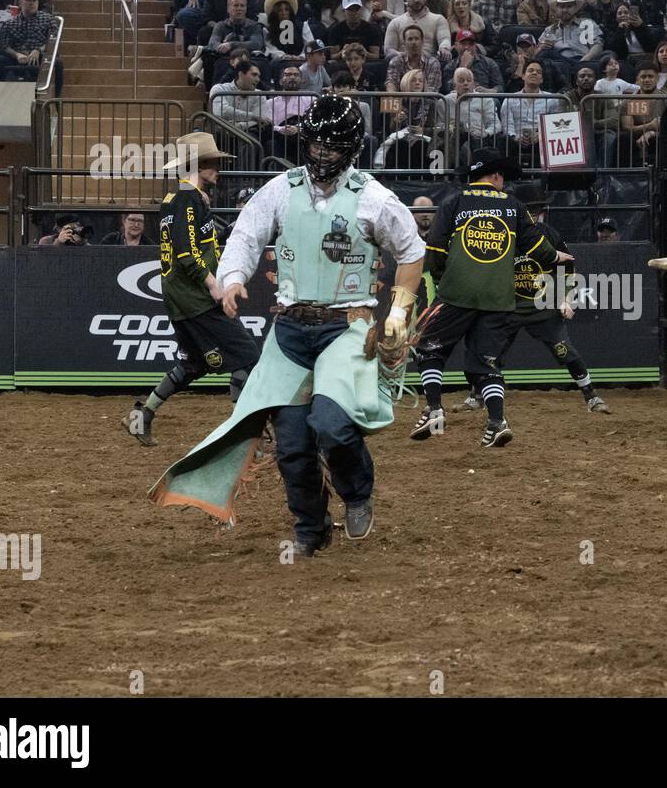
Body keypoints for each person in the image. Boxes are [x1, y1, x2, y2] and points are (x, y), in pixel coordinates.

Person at [162, 95, 425, 555]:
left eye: (330, 146)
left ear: (349, 149)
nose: (321, 154)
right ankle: (311, 528)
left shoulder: (373, 196)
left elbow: (412, 249)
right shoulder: (281, 189)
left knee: (331, 423)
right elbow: (245, 234)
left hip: (346, 326)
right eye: (315, 145)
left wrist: (399, 310)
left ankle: (357, 493)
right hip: (288, 331)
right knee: (292, 443)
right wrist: (232, 279)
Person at [410, 147, 571, 447]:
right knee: (486, 362)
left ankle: (434, 409)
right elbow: (538, 248)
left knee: (428, 348)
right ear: (496, 175)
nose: (504, 182)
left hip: (458, 291)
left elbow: (434, 249)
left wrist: (444, 278)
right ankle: (497, 421)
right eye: (503, 177)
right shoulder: (513, 205)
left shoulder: (454, 201)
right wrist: (556, 257)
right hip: (498, 298)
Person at [129, 132, 260, 447]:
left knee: (194, 363)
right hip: (195, 297)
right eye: (212, 163)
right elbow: (187, 253)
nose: (218, 168)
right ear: (197, 165)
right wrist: (214, 286)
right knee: (248, 355)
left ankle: (142, 415)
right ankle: (245, 437)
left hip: (182, 298)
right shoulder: (186, 198)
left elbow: (194, 246)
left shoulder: (183, 199)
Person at [453, 188, 611, 416]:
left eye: (539, 210)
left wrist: (566, 300)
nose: (535, 215)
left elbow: (568, 270)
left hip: (543, 307)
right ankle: (476, 396)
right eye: (531, 210)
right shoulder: (500, 236)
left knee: (565, 350)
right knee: (488, 353)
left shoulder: (550, 235)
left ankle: (591, 396)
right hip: (507, 307)